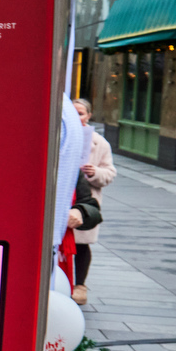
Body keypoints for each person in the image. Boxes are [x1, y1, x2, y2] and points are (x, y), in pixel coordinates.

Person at [69, 98, 115, 305]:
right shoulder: (61, 135)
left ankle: (80, 285)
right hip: (62, 194)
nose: (77, 117)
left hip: (85, 198)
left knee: (81, 244)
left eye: (81, 113)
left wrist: (95, 172)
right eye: (73, 112)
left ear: (88, 116)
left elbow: (109, 173)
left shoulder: (99, 143)